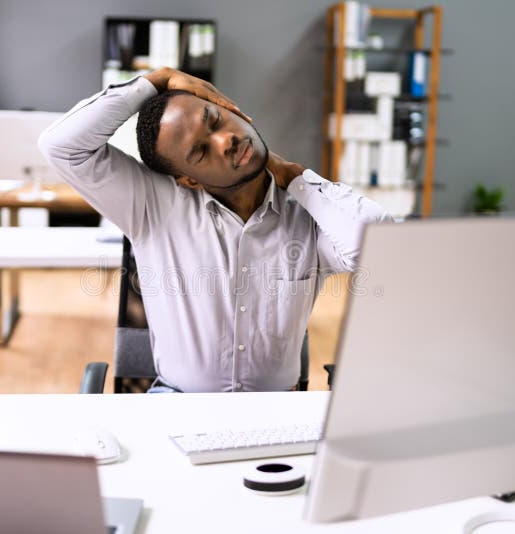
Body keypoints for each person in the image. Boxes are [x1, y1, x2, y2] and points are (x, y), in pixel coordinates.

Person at [38, 67, 391, 393]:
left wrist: (295, 176)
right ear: (189, 179)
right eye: (201, 151)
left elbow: (382, 248)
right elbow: (61, 146)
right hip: (177, 405)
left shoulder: (307, 215)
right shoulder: (152, 206)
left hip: (277, 409)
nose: (226, 141)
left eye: (215, 120)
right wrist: (156, 80)